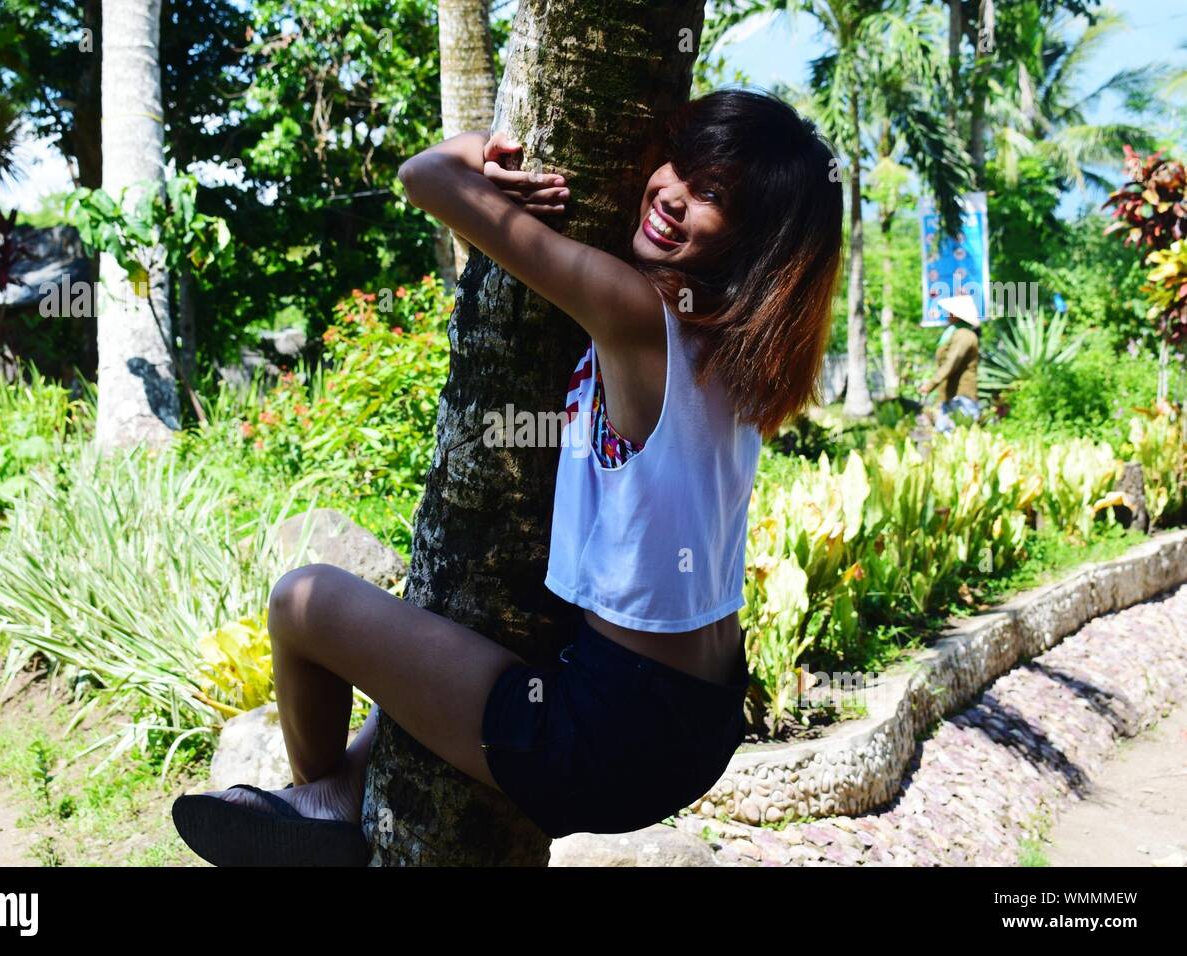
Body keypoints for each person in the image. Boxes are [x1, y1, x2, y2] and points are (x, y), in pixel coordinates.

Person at [171, 89, 845, 865]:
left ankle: (321, 810)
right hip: (702, 720)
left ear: (751, 239)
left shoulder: (633, 312)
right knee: (456, 632)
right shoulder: (741, 358)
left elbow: (423, 176)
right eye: (681, 167)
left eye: (712, 195)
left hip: (605, 736)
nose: (671, 194)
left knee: (299, 602)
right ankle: (338, 789)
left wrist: (485, 160)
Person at [918, 294, 982, 433]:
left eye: (949, 311)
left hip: (962, 396)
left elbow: (950, 363)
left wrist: (930, 385)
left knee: (960, 435)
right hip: (950, 394)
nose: (946, 314)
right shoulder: (954, 333)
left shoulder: (964, 335)